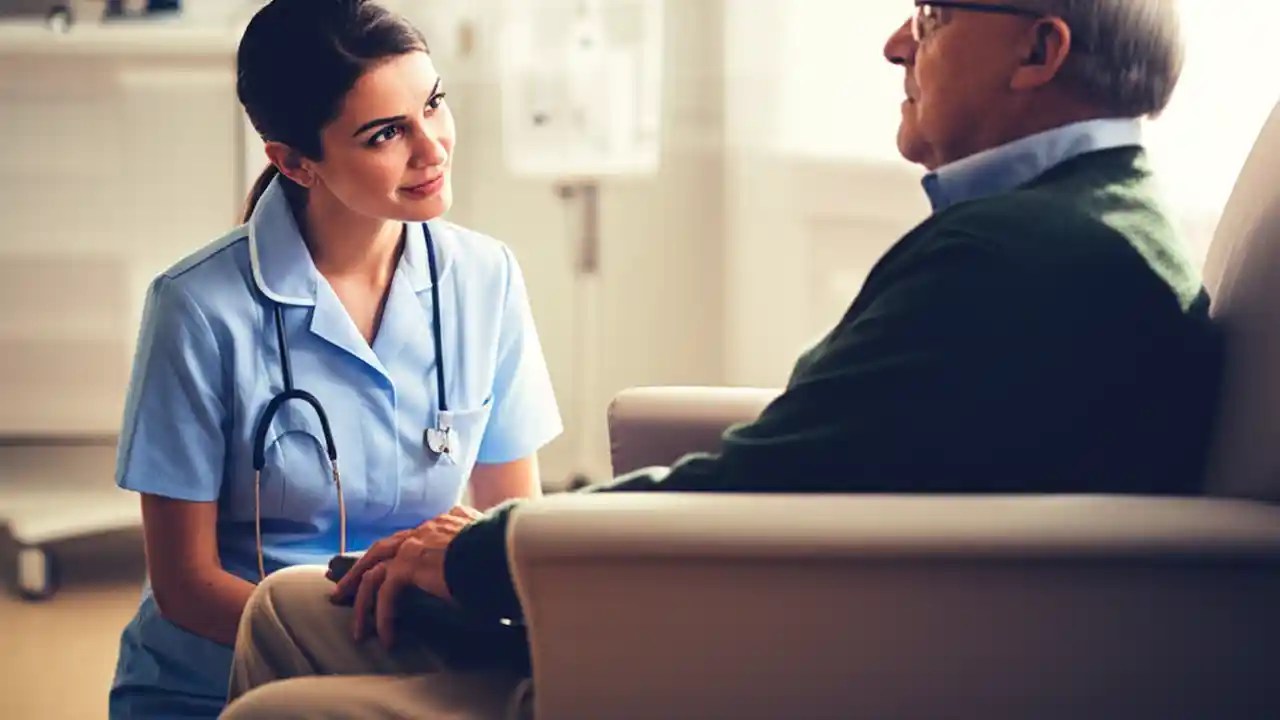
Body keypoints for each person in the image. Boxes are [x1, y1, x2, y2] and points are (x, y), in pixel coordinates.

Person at [221, 0, 1222, 717]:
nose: (890, 43)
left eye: (930, 16)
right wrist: (490, 549)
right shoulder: (1081, 228)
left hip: (767, 647)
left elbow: (768, 482)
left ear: (1037, 51)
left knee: (292, 659)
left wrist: (485, 548)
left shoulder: (1017, 255)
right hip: (795, 608)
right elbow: (813, 463)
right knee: (288, 603)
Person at [106, 0, 563, 717]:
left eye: (434, 104)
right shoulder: (196, 308)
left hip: (420, 664)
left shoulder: (487, 279)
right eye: (387, 133)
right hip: (217, 679)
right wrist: (371, 635)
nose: (433, 147)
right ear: (294, 161)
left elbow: (510, 514)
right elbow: (185, 584)